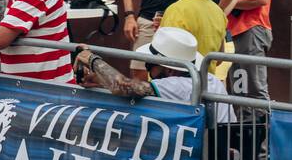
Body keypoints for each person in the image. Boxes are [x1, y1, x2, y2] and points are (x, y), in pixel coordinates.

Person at [76, 27, 234, 123]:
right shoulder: (211, 80)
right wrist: (101, 80)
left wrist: (92, 59)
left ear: (170, 70)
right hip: (222, 155)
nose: (147, 69)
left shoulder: (175, 84)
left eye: (150, 65)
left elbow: (123, 86)